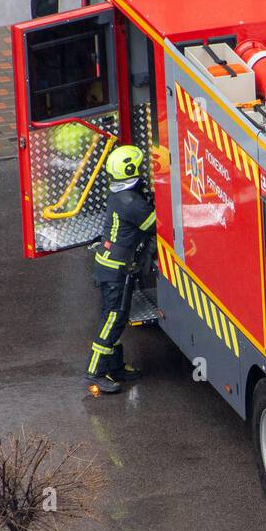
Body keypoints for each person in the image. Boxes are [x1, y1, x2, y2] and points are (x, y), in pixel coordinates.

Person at [85, 143, 155, 394]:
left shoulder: (119, 195)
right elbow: (156, 224)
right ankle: (95, 371)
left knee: (116, 317)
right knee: (113, 320)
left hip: (110, 268)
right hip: (116, 272)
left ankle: (114, 367)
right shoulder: (132, 203)